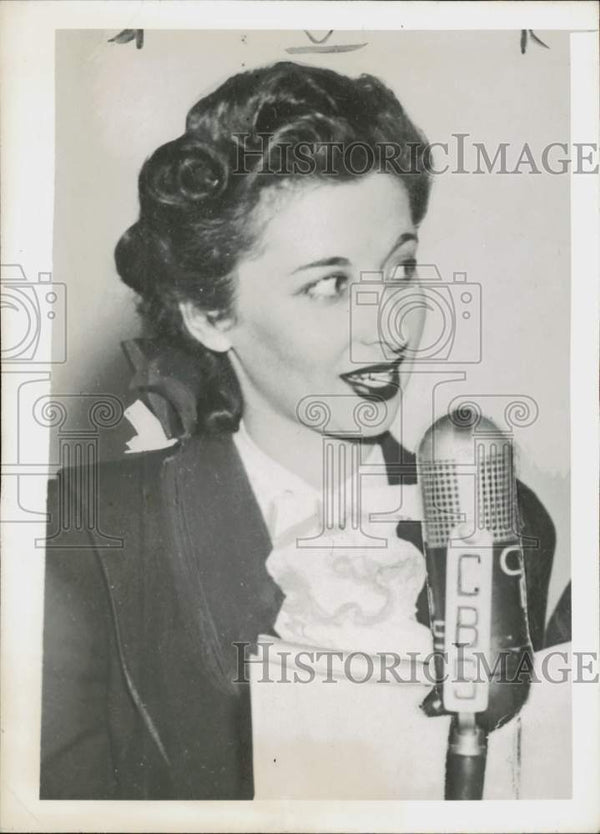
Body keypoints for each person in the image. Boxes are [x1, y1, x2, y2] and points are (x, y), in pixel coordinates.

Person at [40, 61, 569, 800]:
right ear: (209, 314)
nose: (391, 327)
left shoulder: (499, 511)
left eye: (401, 268)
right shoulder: (86, 534)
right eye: (330, 283)